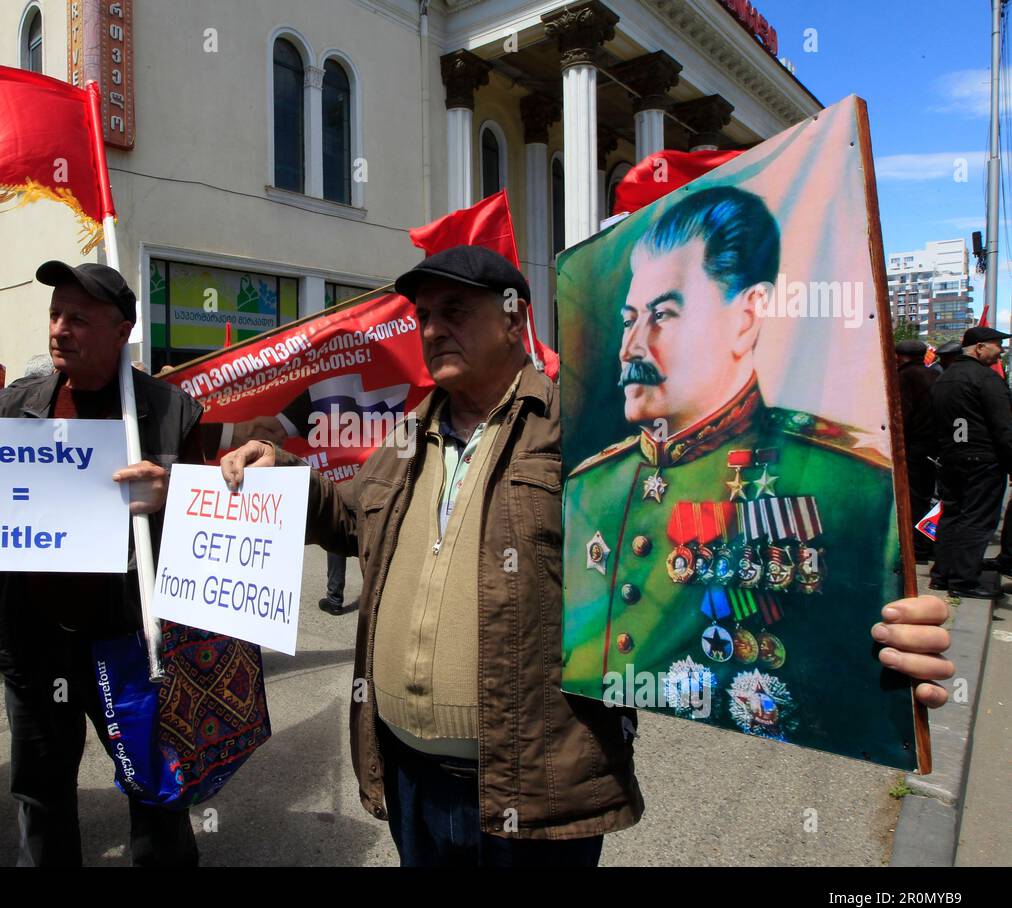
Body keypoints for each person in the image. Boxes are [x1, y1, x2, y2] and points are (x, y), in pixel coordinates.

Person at [220, 244, 955, 866]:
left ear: (514, 320)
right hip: (409, 776)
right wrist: (279, 476)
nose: (432, 330)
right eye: (424, 317)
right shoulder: (413, 434)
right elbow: (352, 523)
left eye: (455, 312)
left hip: (532, 788)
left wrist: (874, 642)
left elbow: (718, 554)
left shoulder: (587, 436)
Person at [559, 188, 946, 767]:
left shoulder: (849, 486)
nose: (631, 346)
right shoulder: (589, 484)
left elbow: (867, 682)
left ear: (747, 317)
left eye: (663, 314)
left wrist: (903, 668)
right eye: (628, 320)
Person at [0, 261, 203, 867]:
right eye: (55, 314)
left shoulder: (172, 412)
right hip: (36, 639)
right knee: (39, 786)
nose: (60, 329)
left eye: (79, 319)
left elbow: (210, 522)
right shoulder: (18, 402)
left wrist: (174, 495)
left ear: (122, 333)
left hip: (127, 639)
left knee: (152, 783)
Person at [929, 325, 1012, 597]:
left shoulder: (944, 378)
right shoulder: (986, 379)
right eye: (996, 345)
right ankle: (964, 580)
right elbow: (1003, 427)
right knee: (977, 519)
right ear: (979, 347)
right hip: (982, 459)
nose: (1000, 351)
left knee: (952, 515)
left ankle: (942, 574)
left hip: (951, 457)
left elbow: (939, 423)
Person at [895, 339, 937, 562]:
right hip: (932, 446)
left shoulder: (904, 378)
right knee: (925, 496)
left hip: (912, 447)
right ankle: (924, 542)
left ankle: (915, 546)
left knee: (911, 498)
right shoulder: (934, 375)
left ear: (900, 357)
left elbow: (903, 414)